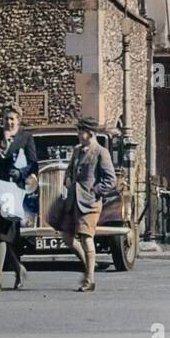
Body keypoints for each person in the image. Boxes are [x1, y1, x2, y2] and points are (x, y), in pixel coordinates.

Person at [0, 103, 38, 291]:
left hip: (12, 191)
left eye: (12, 119)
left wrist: (21, 173)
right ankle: (18, 269)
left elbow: (33, 164)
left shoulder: (25, 138)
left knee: (1, 234)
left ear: (18, 120)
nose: (8, 122)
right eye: (6, 118)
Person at [50, 117, 117, 292]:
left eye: (82, 131)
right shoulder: (77, 150)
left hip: (90, 204)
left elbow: (111, 180)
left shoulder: (101, 152)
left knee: (87, 238)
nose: (79, 135)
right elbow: (69, 170)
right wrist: (67, 180)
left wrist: (95, 190)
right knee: (67, 237)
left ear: (91, 133)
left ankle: (90, 279)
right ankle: (88, 265)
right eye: (79, 131)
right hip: (73, 201)